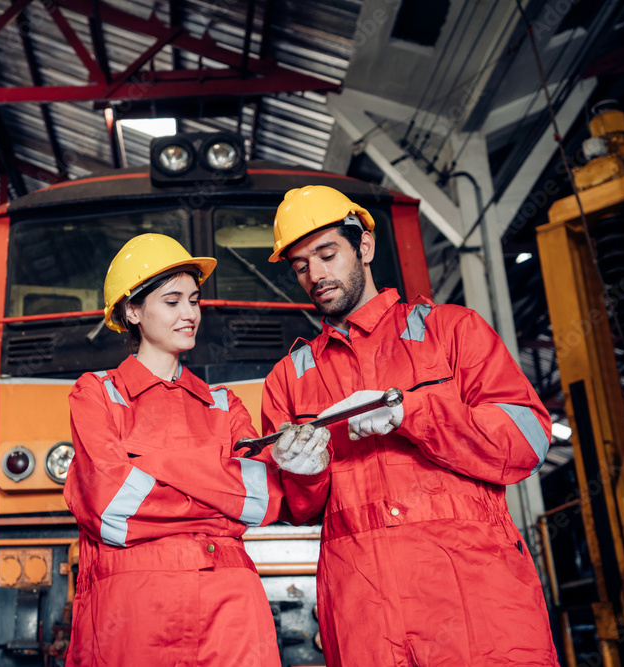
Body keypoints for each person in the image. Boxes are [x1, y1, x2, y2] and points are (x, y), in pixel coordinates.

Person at [261, 186, 560, 666]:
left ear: (365, 247)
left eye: (327, 253)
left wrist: (413, 414)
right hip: (367, 615)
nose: (315, 275)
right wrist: (304, 474)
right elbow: (297, 508)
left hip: (478, 605)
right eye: (299, 266)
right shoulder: (289, 379)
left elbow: (527, 441)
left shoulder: (453, 331)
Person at [63, 233, 319, 666]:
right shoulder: (96, 394)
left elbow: (262, 499)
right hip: (135, 609)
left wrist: (153, 468)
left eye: (194, 301)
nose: (190, 314)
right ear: (133, 311)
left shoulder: (223, 402)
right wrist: (219, 489)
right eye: (173, 301)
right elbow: (112, 508)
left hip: (232, 605)